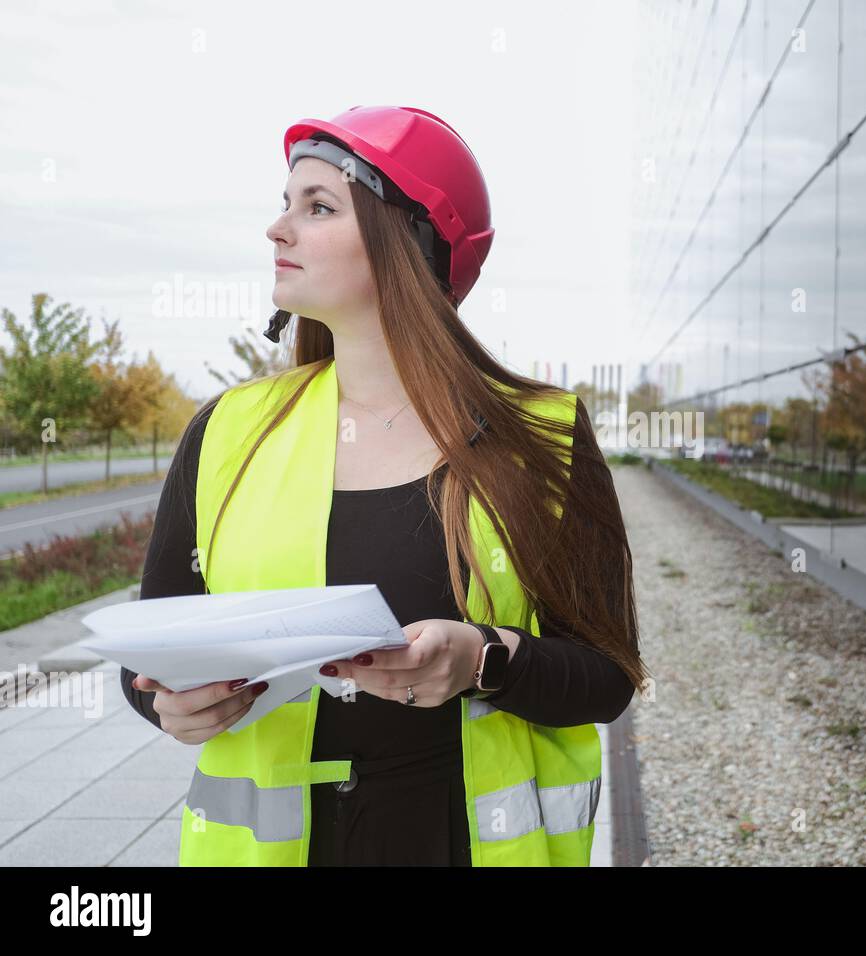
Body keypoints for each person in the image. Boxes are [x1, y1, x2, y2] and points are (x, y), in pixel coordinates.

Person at [119, 105, 647, 867]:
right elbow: (155, 650)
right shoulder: (225, 431)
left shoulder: (543, 436)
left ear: (407, 243)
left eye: (318, 207)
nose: (278, 229)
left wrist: (483, 661)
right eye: (284, 203)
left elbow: (605, 677)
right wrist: (168, 705)